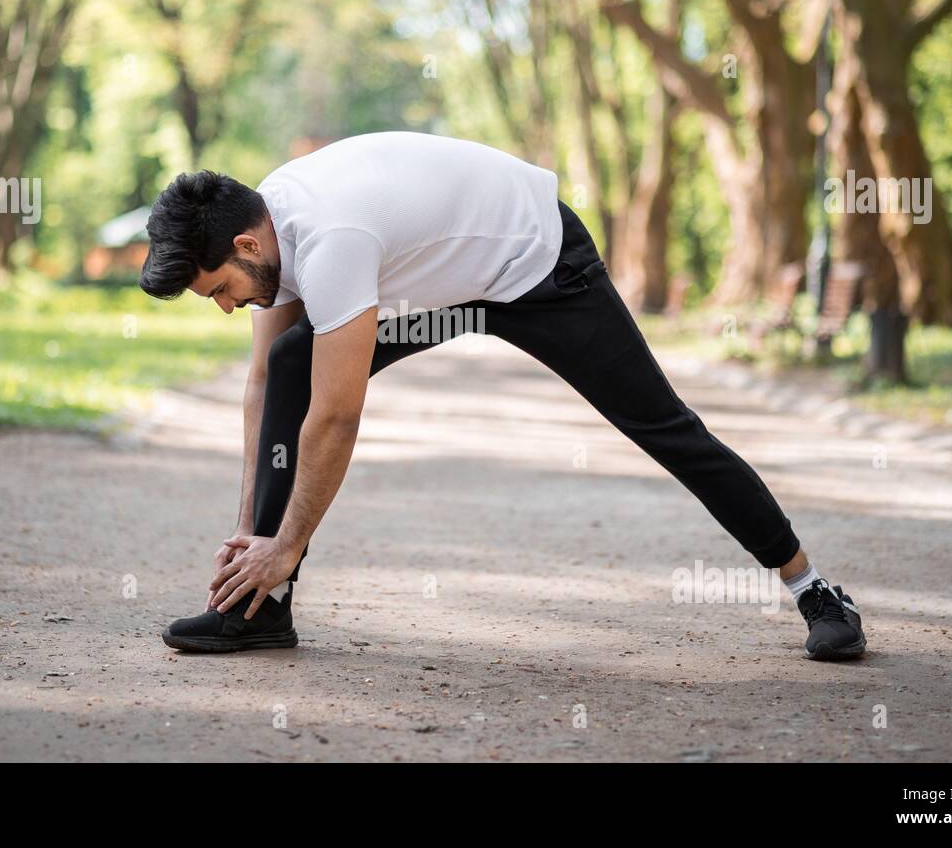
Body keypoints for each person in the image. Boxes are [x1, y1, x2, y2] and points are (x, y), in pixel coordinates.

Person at [139, 131, 866, 660]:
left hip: (539, 267)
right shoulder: (266, 232)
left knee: (662, 426)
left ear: (245, 246)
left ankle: (814, 590)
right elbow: (266, 385)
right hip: (459, 291)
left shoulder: (331, 238)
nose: (228, 309)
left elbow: (336, 416)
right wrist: (249, 543)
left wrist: (286, 541)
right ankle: (259, 609)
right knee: (293, 357)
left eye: (221, 293)